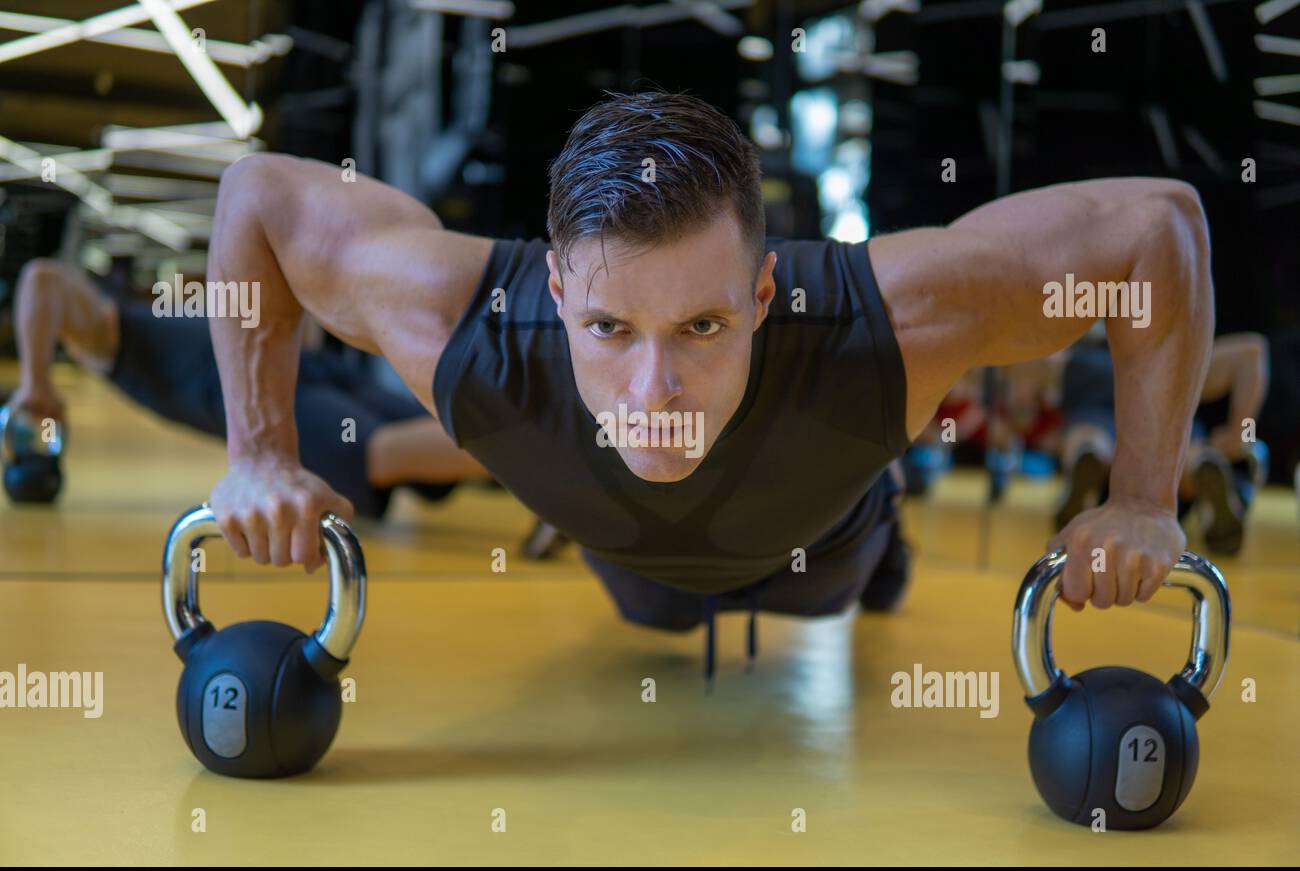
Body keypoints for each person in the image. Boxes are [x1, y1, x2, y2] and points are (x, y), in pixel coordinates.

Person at [200, 91, 1214, 677]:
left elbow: (1153, 230)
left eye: (703, 324)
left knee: (842, 579)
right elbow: (258, 199)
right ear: (554, 289)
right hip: (632, 567)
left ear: (765, 287)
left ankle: (884, 510)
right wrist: (256, 455)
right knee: (655, 616)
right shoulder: (456, 320)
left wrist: (1140, 500)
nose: (654, 386)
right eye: (607, 327)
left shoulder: (883, 322)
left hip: (829, 552)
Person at [4, 257, 489, 522]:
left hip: (275, 398)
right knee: (432, 429)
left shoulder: (109, 337)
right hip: (300, 369)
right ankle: (542, 455)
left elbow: (40, 277)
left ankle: (555, 454)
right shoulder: (129, 333)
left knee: (379, 454)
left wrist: (35, 385)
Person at [1056, 330, 1269, 555]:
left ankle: (1089, 453)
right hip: (1159, 386)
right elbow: (1253, 352)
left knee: (1089, 430)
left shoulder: (1074, 357)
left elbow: (1027, 372)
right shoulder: (1167, 358)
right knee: (1179, 446)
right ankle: (1199, 464)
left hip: (1091, 375)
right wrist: (1242, 434)